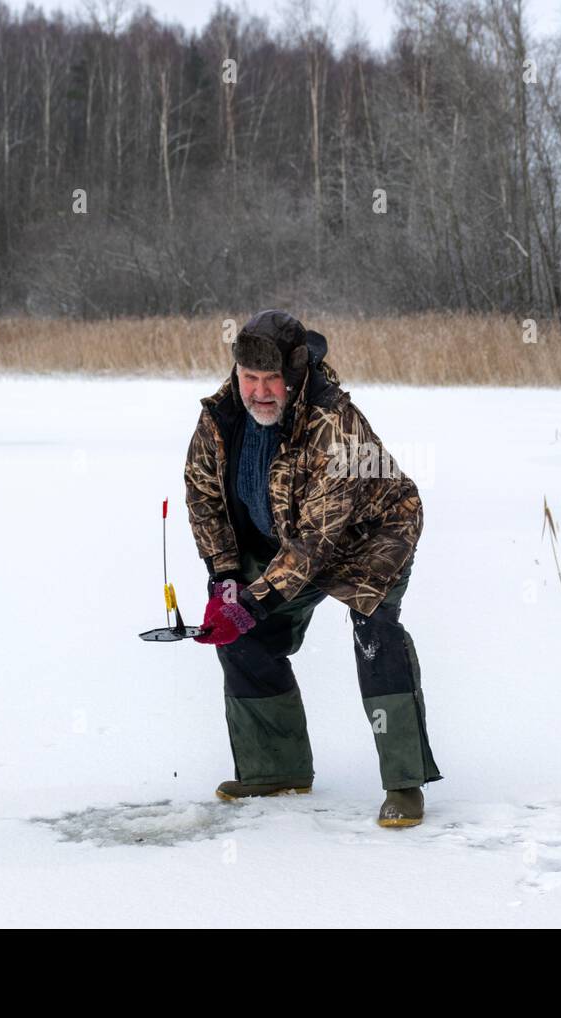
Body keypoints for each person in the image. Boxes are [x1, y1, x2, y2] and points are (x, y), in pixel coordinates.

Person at [182, 309, 442, 827]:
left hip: (371, 537)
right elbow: (204, 495)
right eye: (248, 377)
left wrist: (254, 601)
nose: (257, 391)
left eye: (270, 379)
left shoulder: (333, 423)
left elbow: (316, 542)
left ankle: (405, 783)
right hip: (283, 541)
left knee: (376, 634)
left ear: (295, 375)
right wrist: (228, 580)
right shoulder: (221, 416)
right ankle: (275, 769)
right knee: (241, 633)